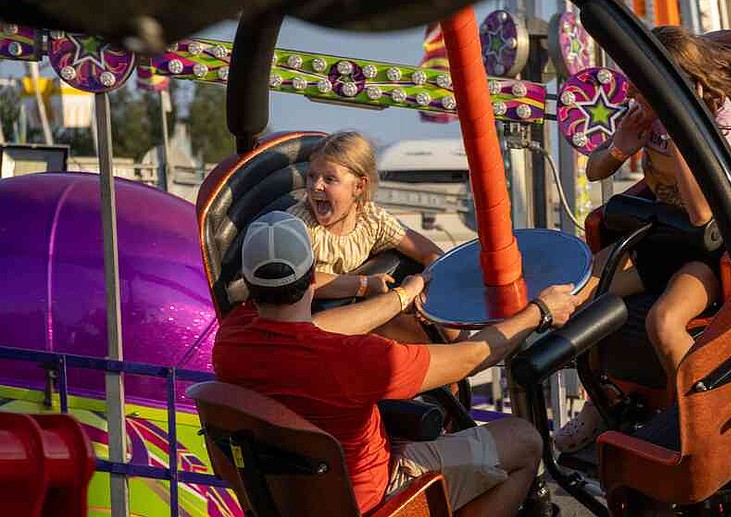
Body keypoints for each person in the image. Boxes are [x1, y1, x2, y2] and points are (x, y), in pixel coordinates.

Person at [213, 211, 579, 516]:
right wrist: (540, 311)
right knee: (525, 440)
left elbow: (309, 331)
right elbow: (472, 357)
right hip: (379, 498)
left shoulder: (230, 338)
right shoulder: (357, 359)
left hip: (291, 498)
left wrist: (402, 296)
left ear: (250, 284)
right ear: (313, 278)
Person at [554, 25, 731, 453]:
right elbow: (595, 172)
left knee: (663, 322)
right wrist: (623, 145)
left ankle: (702, 419)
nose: (636, 93)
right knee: (574, 295)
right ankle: (600, 401)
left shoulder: (719, 116)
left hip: (709, 248)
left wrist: (684, 126)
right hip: (658, 234)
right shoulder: (644, 112)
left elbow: (703, 213)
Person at [287, 130, 455, 344]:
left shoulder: (371, 219)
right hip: (316, 321)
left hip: (357, 317)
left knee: (436, 319)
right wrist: (365, 284)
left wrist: (426, 290)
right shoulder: (299, 224)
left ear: (359, 186)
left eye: (329, 179)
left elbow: (430, 253)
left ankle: (460, 356)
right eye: (311, 176)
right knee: (391, 320)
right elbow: (299, 281)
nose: (316, 186)